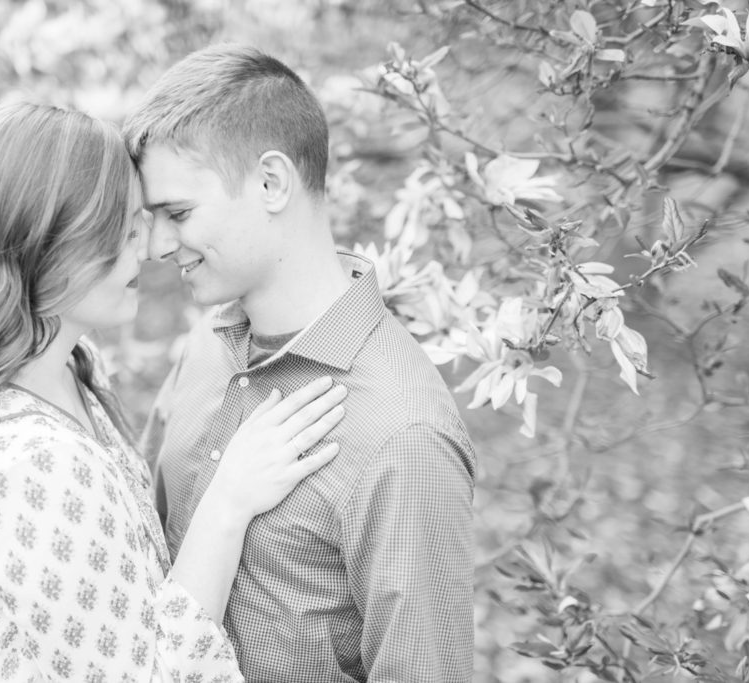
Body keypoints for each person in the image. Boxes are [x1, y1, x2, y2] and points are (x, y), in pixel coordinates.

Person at [0, 100, 348, 682]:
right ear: (37, 244)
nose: (147, 248)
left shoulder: (65, 367)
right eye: (119, 229)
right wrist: (229, 501)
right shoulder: (27, 469)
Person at [125, 44, 477, 682]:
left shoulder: (403, 433)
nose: (156, 245)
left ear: (271, 183)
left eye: (177, 213)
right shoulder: (207, 343)